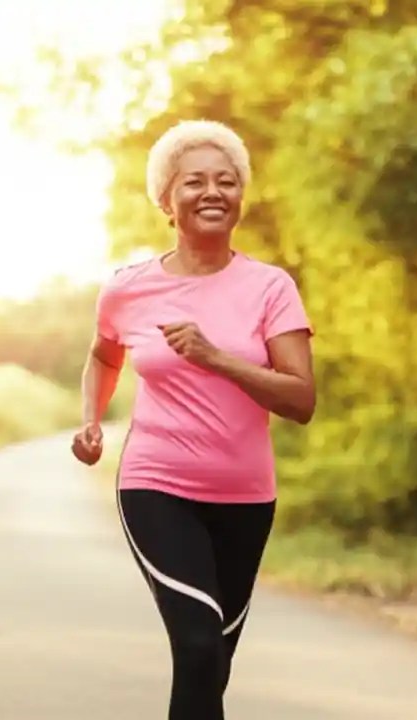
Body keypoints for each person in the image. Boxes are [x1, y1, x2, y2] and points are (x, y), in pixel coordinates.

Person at [71, 119, 316, 720]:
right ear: (166, 201)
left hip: (245, 498)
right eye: (194, 182)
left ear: (240, 199)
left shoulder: (270, 287)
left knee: (213, 665)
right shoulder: (129, 290)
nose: (213, 191)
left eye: (227, 181)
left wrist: (217, 358)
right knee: (199, 643)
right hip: (158, 487)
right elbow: (104, 355)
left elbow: (300, 400)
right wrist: (91, 421)